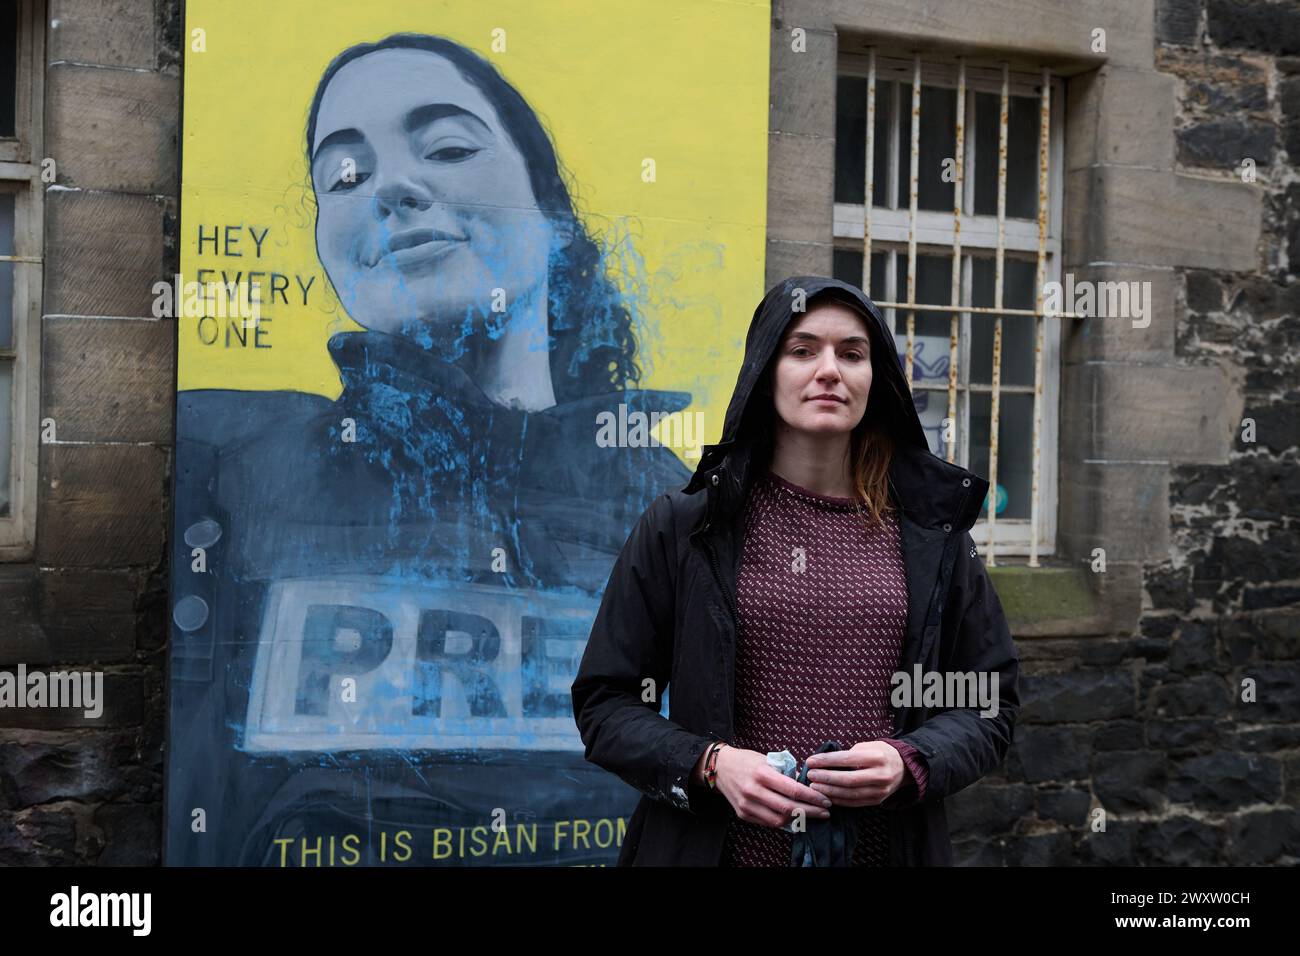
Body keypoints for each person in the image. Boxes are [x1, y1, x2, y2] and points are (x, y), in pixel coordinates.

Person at [166, 33, 692, 865]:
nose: (393, 187)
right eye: (345, 174)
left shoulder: (676, 508)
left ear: (552, 214)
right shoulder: (218, 464)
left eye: (446, 148)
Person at [572, 275, 1021, 866]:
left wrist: (910, 761)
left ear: (875, 379)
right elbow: (606, 702)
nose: (829, 370)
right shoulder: (687, 527)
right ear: (766, 372)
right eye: (803, 350)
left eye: (852, 354)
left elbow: (988, 700)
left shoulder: (932, 537)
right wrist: (710, 764)